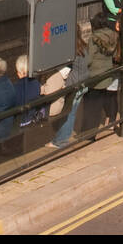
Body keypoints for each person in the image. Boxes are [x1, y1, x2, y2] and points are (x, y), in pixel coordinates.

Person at [49, 21, 91, 149]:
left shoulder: (71, 50)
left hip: (74, 85)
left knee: (68, 113)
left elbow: (65, 71)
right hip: (83, 83)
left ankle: (60, 140)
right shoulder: (83, 46)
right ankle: (64, 135)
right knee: (72, 112)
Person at [82, 20, 120, 134]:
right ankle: (111, 121)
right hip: (108, 74)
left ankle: (90, 133)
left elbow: (88, 59)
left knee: (92, 106)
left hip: (95, 77)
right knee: (109, 99)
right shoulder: (113, 36)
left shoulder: (93, 38)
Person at [13, 53, 43, 128]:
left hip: (19, 122)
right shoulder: (36, 83)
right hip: (30, 119)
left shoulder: (15, 88)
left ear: (20, 73)